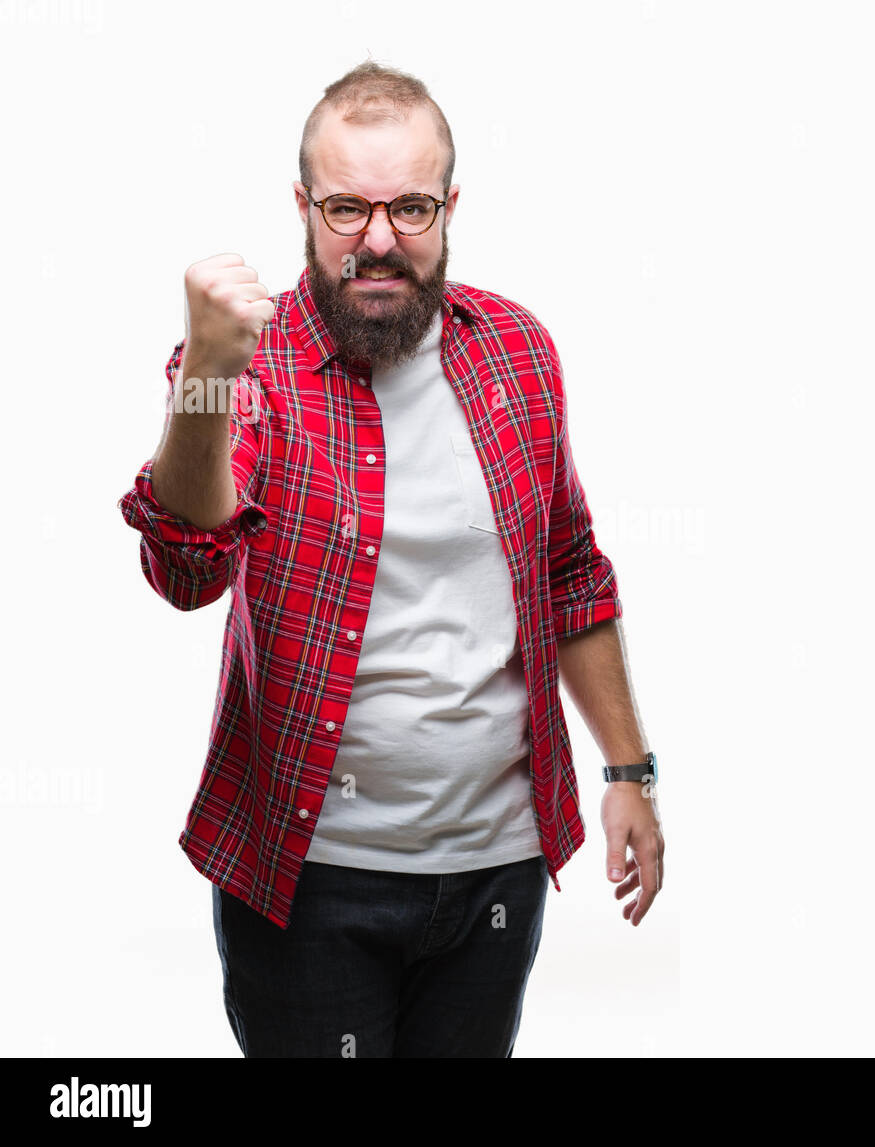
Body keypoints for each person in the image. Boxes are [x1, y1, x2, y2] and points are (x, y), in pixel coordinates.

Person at [117, 60, 664, 1058]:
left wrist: (629, 769)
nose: (377, 239)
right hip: (311, 883)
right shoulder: (255, 362)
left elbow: (570, 568)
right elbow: (187, 565)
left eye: (409, 208)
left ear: (450, 206)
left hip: (498, 871)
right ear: (302, 206)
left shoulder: (517, 351)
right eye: (346, 208)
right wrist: (203, 373)